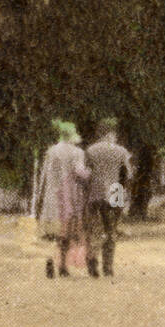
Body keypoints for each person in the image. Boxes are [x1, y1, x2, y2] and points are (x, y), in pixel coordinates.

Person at [34, 121, 91, 278]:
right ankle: (63, 267)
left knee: (53, 234)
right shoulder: (77, 152)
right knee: (66, 234)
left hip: (51, 198)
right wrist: (91, 175)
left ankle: (51, 261)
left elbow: (44, 175)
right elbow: (79, 172)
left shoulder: (51, 151)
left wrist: (39, 198)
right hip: (69, 198)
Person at [84, 119, 133, 279]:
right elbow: (128, 174)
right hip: (116, 191)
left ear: (100, 134)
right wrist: (123, 194)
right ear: (112, 134)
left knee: (94, 230)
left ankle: (92, 265)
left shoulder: (91, 150)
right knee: (111, 230)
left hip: (95, 192)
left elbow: (85, 174)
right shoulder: (122, 151)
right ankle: (108, 267)